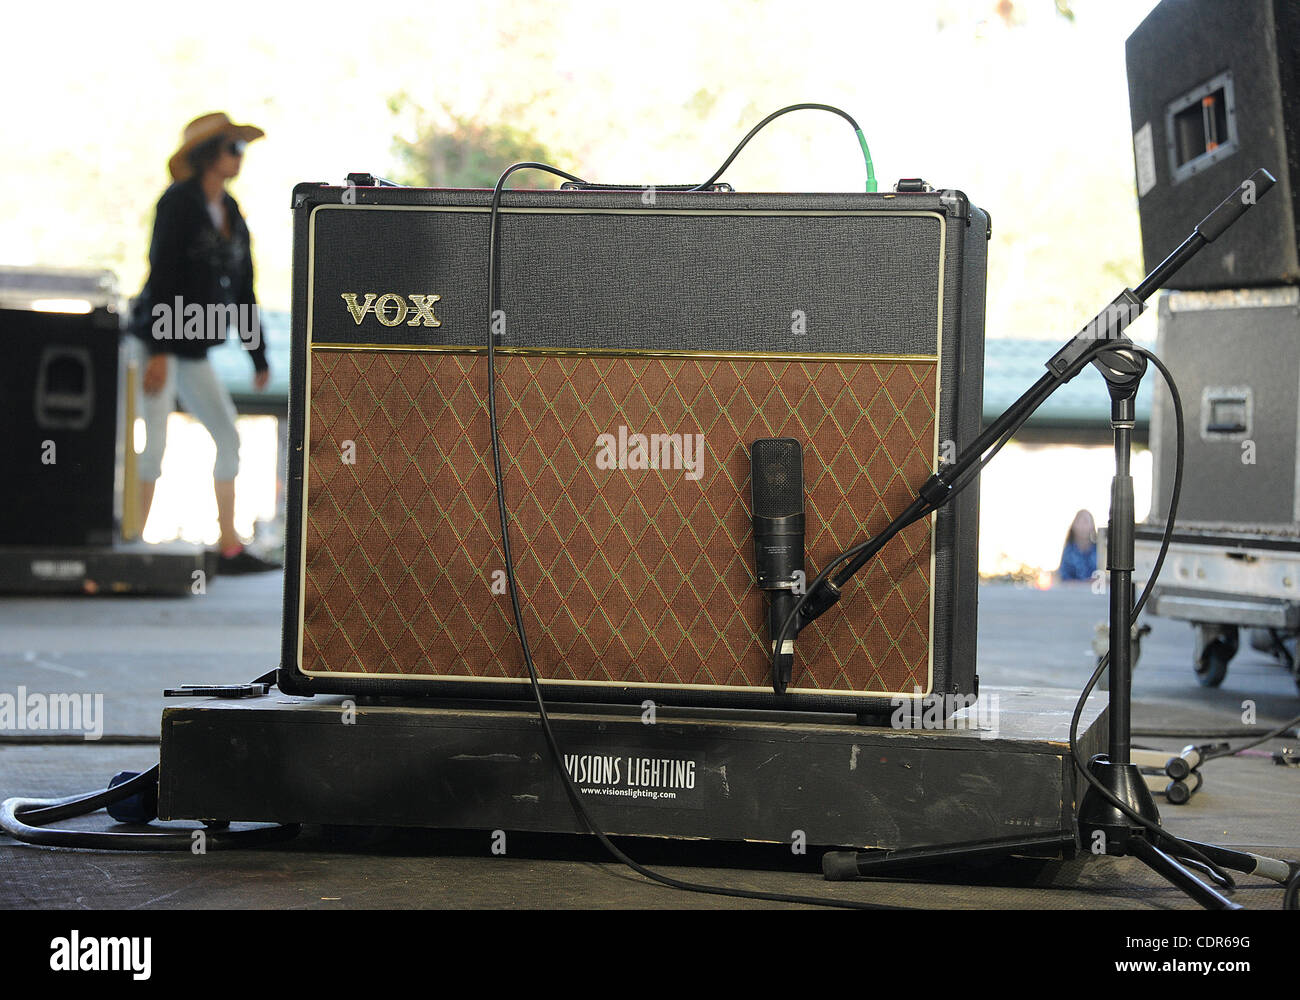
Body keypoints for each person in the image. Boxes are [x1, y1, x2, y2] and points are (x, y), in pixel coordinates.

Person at [131, 112, 278, 573]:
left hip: (193, 347)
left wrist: (258, 354)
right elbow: (163, 274)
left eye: (241, 148)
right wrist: (158, 351)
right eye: (232, 148)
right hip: (158, 342)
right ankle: (130, 545)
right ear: (208, 155)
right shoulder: (177, 203)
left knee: (227, 434)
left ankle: (230, 546)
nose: (239, 157)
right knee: (154, 442)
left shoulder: (231, 212)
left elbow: (243, 288)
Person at [1058, 508, 1098, 582]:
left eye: (1086, 522)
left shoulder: (1099, 551)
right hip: (1075, 592)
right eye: (1080, 522)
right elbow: (1063, 579)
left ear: (1092, 526)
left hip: (1098, 592)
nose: (1083, 526)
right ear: (1073, 526)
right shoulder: (1068, 552)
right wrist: (1085, 583)